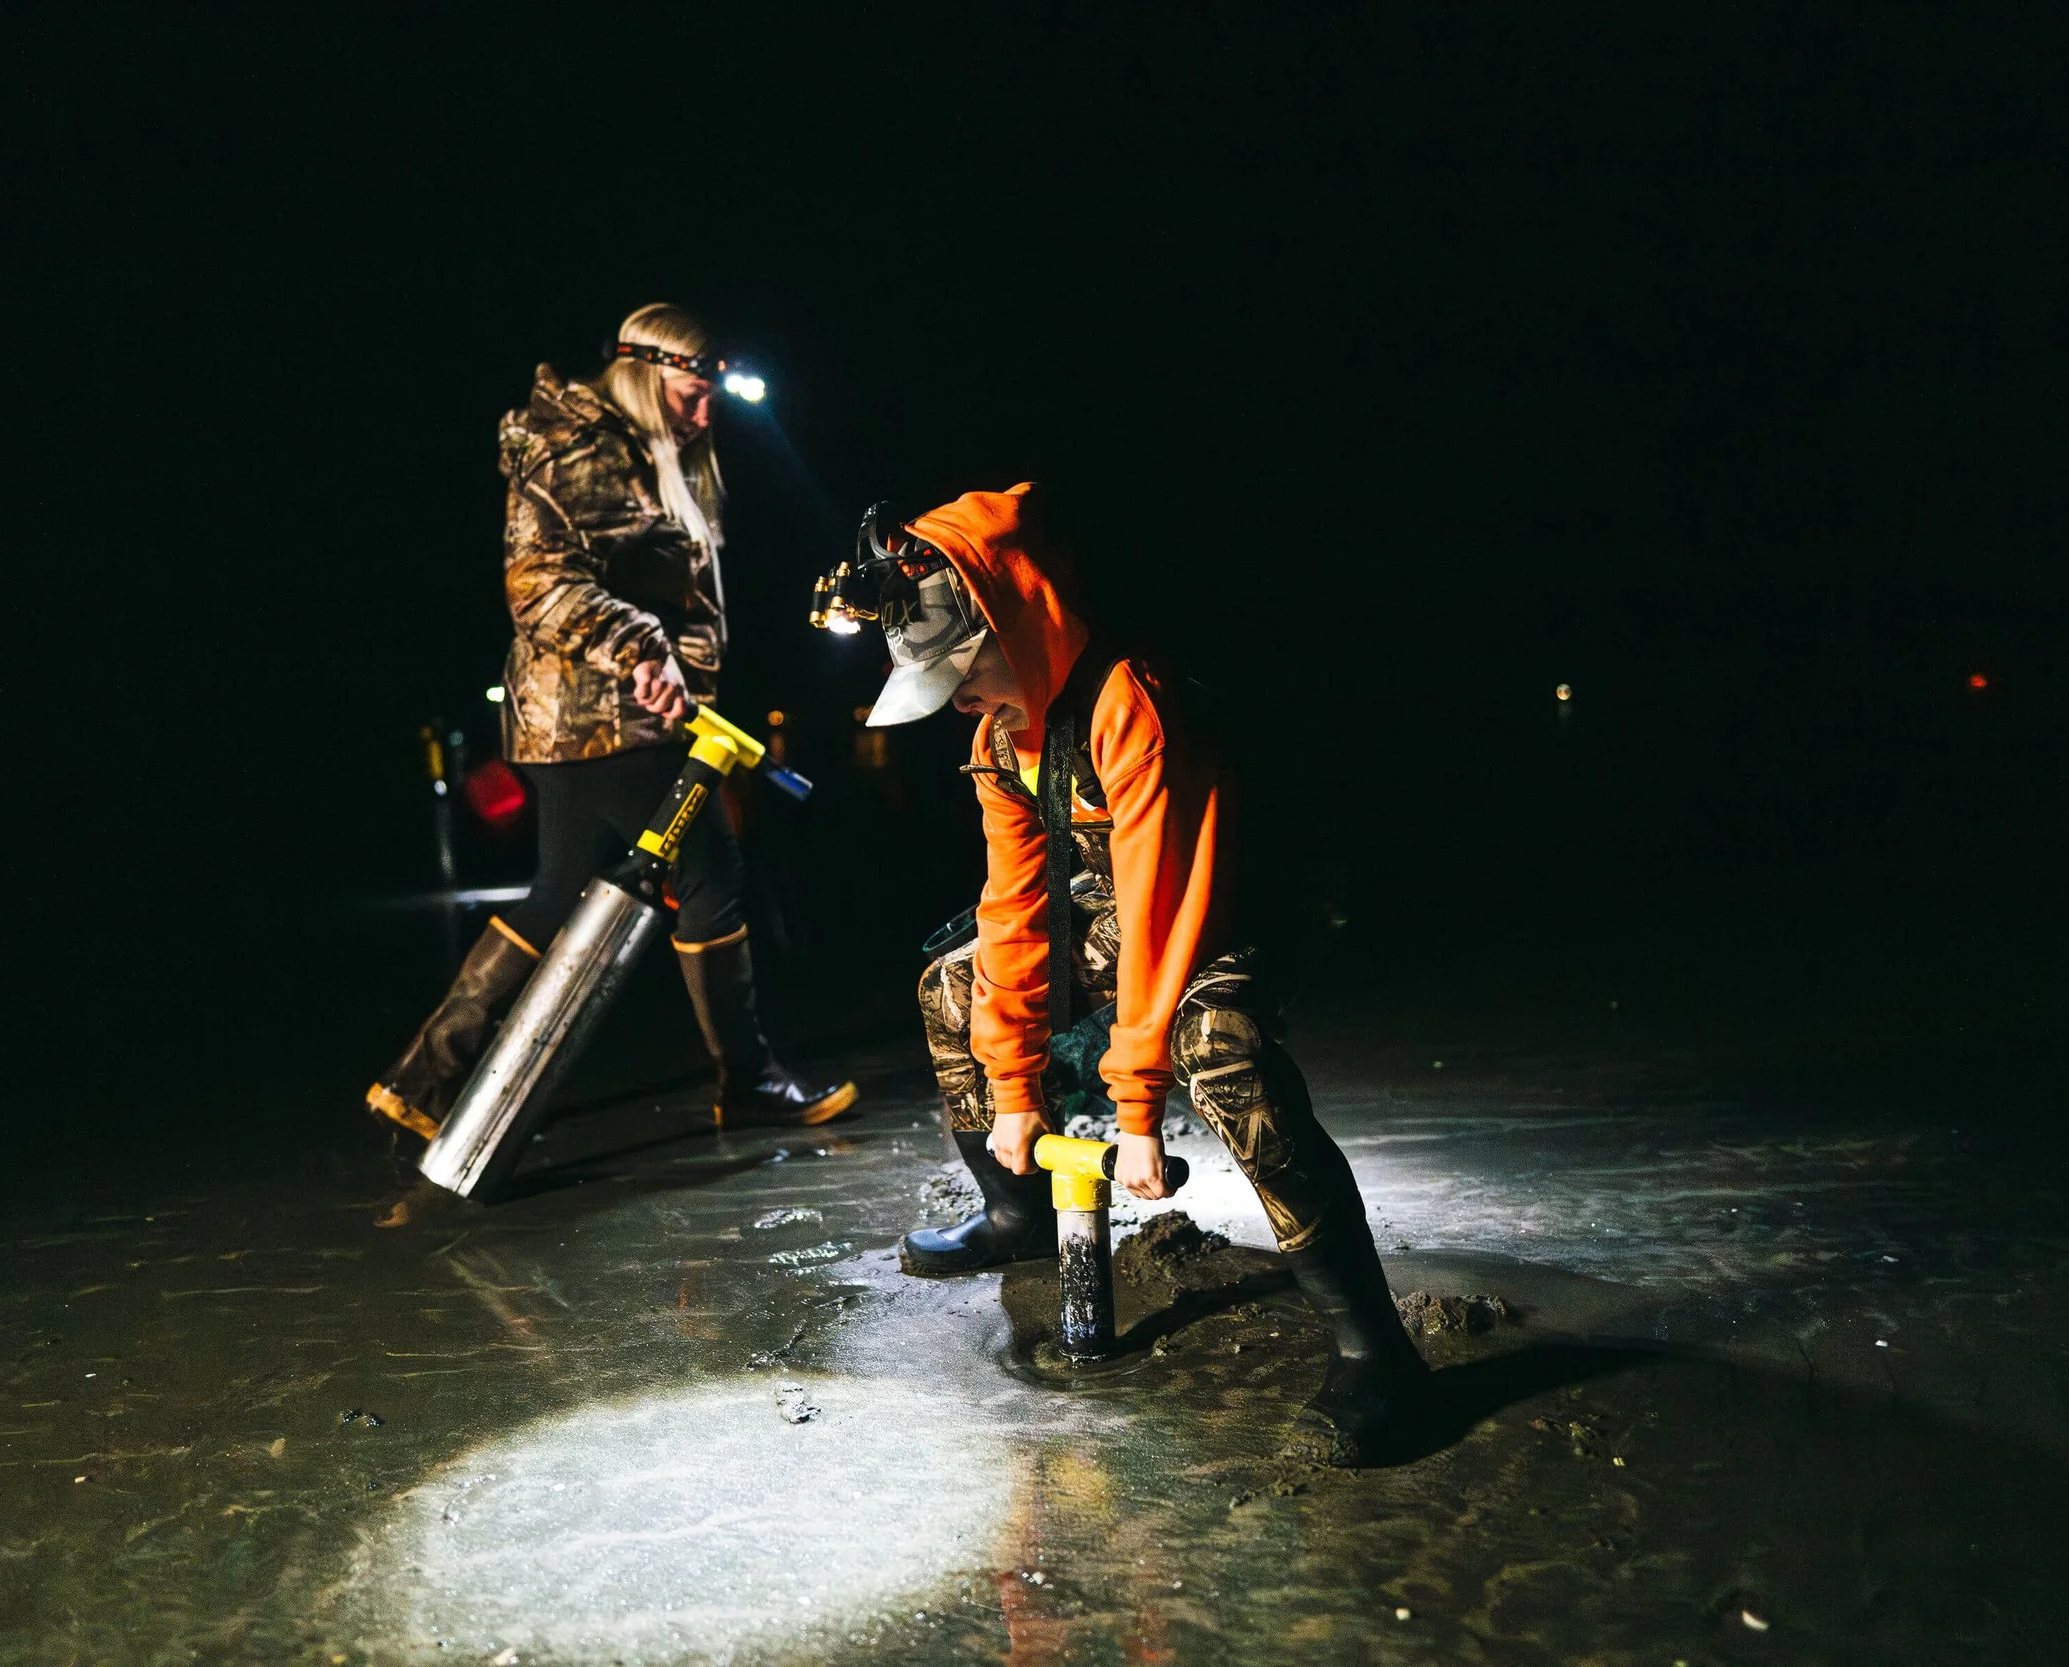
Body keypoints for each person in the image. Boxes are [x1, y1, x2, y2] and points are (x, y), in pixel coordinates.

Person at [840, 483, 1426, 1464]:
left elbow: (1165, 905)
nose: (963, 703)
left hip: (1235, 894)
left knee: (1221, 1048)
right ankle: (1018, 1214)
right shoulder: (998, 738)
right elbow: (1015, 906)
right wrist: (1016, 1092)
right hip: (1121, 899)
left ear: (1014, 625)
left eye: (963, 675)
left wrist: (1138, 1102)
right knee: (955, 984)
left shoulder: (1132, 701)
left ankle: (1379, 1353)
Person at [368, 304, 856, 1139]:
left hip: (595, 718)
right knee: (708, 873)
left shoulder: (646, 448)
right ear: (639, 369)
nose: (704, 415)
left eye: (712, 398)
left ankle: (420, 1080)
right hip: (602, 715)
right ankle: (749, 1080)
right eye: (688, 393)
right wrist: (641, 651)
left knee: (559, 891)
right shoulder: (582, 444)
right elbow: (540, 583)